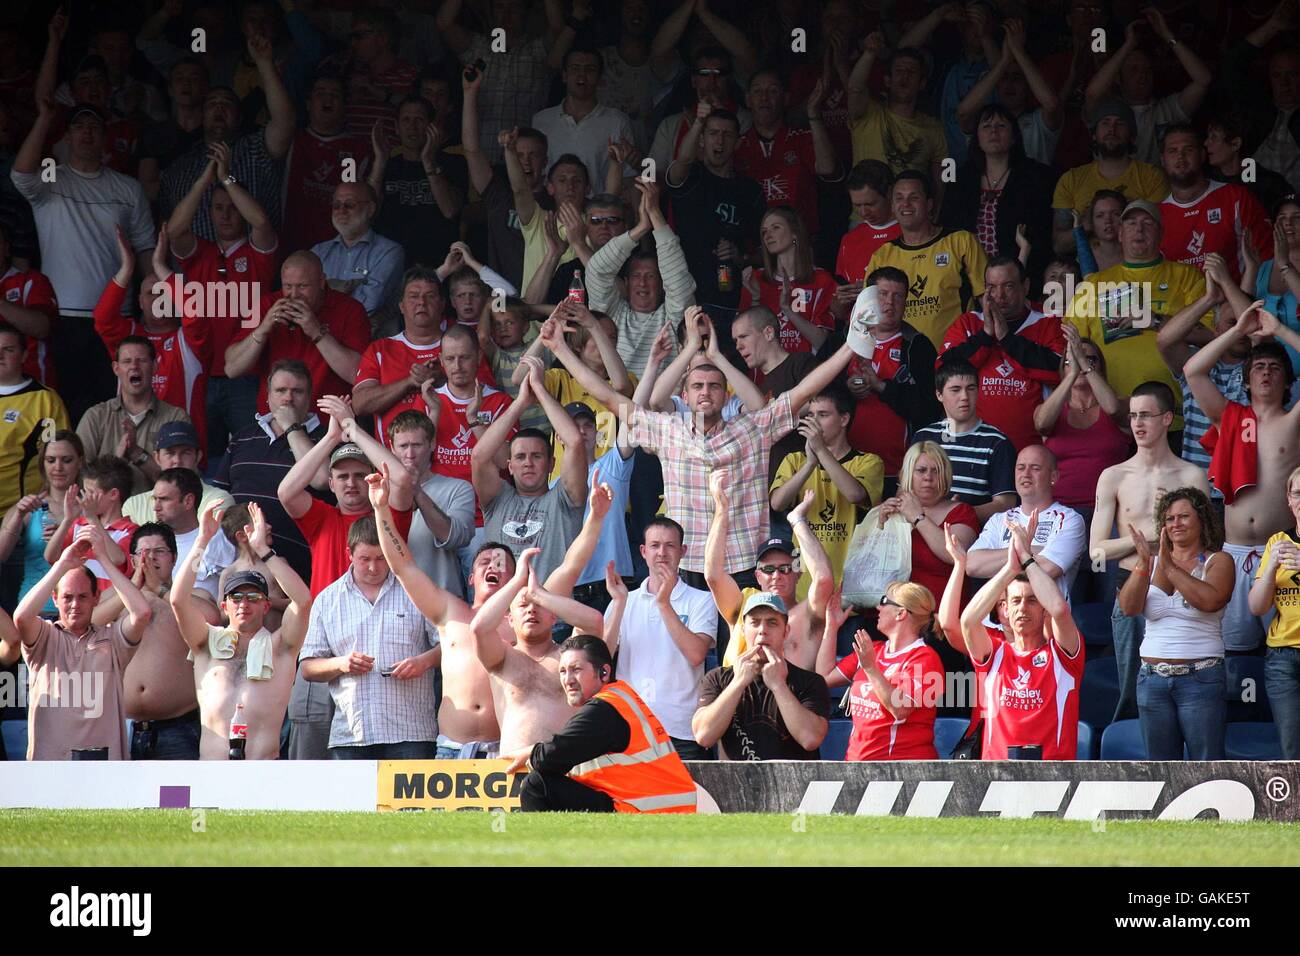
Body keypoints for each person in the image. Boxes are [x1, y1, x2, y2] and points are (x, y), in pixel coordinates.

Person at [370, 459, 608, 759]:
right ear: (471, 576)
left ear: (516, 577)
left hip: (505, 747)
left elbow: (572, 564)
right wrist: (381, 509)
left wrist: (596, 518)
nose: (494, 565)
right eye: (486, 562)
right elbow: (403, 567)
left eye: (502, 564)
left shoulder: (529, 608)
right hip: (451, 746)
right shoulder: (449, 611)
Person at [11, 94, 154, 424]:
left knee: (116, 406)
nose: (87, 133)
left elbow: (146, 248)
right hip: (65, 316)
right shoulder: (51, 179)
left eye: (94, 127)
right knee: (68, 406)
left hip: (118, 314)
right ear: (67, 136)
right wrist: (44, 119)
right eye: (79, 126)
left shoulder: (128, 188)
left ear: (105, 137)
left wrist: (153, 305)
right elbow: (21, 175)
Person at [1091, 381, 1211, 721]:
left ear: (1167, 418)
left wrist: (1172, 536)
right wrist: (1145, 540)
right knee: (1132, 689)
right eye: (1132, 416)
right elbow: (1096, 552)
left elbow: (1207, 550)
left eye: (1146, 415)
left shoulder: (1192, 475)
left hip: (1180, 588)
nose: (1138, 423)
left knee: (1185, 685)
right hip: (1131, 583)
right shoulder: (1113, 476)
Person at [1186, 302, 1300, 654]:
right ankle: (1242, 707)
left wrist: (1278, 330)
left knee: (1285, 647)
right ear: (1247, 381)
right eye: (1259, 367)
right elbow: (1193, 371)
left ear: (1287, 382)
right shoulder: (1230, 416)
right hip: (1233, 551)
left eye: (1275, 368)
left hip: (1280, 551)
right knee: (1233, 649)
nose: (1266, 373)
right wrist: (1237, 332)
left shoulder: (1293, 420)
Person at [165, 140, 278, 461]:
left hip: (248, 376)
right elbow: (174, 231)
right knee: (202, 455)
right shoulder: (200, 253)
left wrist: (226, 178)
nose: (226, 215)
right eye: (218, 208)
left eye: (231, 207)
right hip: (201, 375)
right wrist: (205, 180)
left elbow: (261, 223)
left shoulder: (257, 252)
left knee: (251, 451)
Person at [171, 502, 312, 759]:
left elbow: (302, 602)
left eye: (253, 597)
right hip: (212, 774)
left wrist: (263, 550)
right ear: (224, 605)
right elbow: (178, 600)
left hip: (262, 776)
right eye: (236, 597)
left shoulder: (280, 648)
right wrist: (202, 540)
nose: (244, 604)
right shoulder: (205, 643)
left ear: (267, 605)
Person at [507, 633, 698, 814]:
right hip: (654, 808)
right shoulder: (618, 699)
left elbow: (550, 758)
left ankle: (544, 849)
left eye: (576, 669)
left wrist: (531, 753)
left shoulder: (603, 709)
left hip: (645, 813)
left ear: (604, 672)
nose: (568, 680)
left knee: (537, 784)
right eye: (563, 671)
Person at [299, 515, 440, 759]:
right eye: (365, 559)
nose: (373, 567)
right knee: (351, 799)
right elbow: (308, 667)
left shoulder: (416, 591)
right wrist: (341, 664)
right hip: (352, 733)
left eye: (381, 558)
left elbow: (453, 646)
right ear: (349, 554)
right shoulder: (327, 600)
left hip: (412, 731)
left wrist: (423, 662)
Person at [14, 523, 152, 760]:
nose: (75, 605)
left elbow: (141, 613)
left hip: (104, 768)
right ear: (55, 599)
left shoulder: (112, 639)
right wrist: (62, 565)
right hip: (50, 768)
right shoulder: (45, 637)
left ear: (96, 597)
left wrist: (104, 559)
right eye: (67, 597)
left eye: (83, 596)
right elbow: (22, 617)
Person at [1066, 200, 1210, 422]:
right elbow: (1071, 348)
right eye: (1131, 223)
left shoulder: (1187, 277)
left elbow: (1211, 335)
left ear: (1161, 233)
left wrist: (1155, 320)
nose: (1139, 229)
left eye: (1147, 223)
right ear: (1120, 234)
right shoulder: (1094, 284)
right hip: (1110, 416)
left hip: (1174, 413)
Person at [1119, 487, 1232, 760]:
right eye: (1169, 519)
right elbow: (1128, 607)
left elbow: (1210, 601)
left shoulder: (1219, 560)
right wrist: (1144, 565)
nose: (1175, 524)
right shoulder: (1152, 562)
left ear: (1202, 520)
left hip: (1200, 678)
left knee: (1206, 768)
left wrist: (1170, 568)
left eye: (1183, 516)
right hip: (1152, 680)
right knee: (1161, 770)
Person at [959, 520, 1085, 761]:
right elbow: (968, 621)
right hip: (996, 778)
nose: (1023, 609)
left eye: (1032, 601)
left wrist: (1027, 558)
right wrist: (1008, 569)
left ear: (1043, 609)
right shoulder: (994, 653)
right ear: (1004, 609)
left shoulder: (1062, 656)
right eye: (1015, 601)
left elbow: (1059, 609)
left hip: (1053, 779)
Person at [467, 544, 605, 752]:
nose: (532, 610)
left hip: (565, 771)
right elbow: (478, 628)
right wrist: (517, 581)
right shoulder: (502, 658)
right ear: (510, 619)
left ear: (553, 616)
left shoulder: (568, 656)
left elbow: (594, 622)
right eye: (523, 605)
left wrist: (538, 594)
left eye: (538, 605)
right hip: (514, 773)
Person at [602, 515, 718, 759]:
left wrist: (663, 603)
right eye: (655, 545)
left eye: (670, 545)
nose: (662, 553)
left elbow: (697, 655)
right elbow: (602, 659)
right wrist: (620, 602)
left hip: (682, 729)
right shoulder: (623, 600)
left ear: (683, 551)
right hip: (630, 727)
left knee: (685, 799)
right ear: (643, 551)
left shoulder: (702, 599)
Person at [158, 35, 295, 239]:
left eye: (227, 103)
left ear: (239, 118)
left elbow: (285, 122)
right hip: (195, 270)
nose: (219, 107)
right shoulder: (178, 169)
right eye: (212, 103)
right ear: (201, 117)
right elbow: (167, 234)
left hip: (255, 266)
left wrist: (264, 63)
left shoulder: (257, 149)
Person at [98, 523, 216, 760]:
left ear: (173, 558)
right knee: (123, 797)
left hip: (179, 726)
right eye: (143, 552)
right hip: (122, 726)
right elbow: (90, 623)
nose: (150, 558)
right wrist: (133, 589)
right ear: (132, 560)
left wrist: (161, 590)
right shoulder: (111, 597)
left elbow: (212, 618)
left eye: (159, 551)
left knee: (176, 796)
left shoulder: (192, 597)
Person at [96, 228, 212, 457]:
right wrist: (127, 268)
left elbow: (196, 315)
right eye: (151, 293)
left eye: (164, 292)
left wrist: (159, 265)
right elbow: (103, 318)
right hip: (131, 454)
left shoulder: (188, 341)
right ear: (139, 301)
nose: (159, 299)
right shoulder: (129, 336)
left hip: (179, 457)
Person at [211, 360, 329, 583]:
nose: (288, 398)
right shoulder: (242, 437)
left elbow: (321, 479)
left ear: (309, 396)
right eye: (281, 390)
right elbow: (219, 496)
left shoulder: (327, 438)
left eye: (297, 391)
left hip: (298, 567)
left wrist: (292, 428)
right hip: (237, 562)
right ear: (267, 396)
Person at [471, 360, 586, 582]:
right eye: (520, 457)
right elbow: (479, 456)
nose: (528, 463)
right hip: (504, 613)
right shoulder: (497, 499)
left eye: (537, 456)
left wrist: (540, 389)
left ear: (552, 464)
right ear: (509, 466)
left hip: (554, 614)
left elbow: (574, 441)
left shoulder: (565, 499)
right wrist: (521, 402)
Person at [939, 259, 1065, 454]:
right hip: (973, 448)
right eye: (992, 287)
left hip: (1032, 452)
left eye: (1008, 286)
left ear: (1025, 286)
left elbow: (1060, 371)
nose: (999, 296)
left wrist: (1007, 339)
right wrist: (985, 335)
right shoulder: (969, 322)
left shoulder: (1048, 322)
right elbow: (943, 371)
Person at [708, 475, 833, 670]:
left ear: (798, 573)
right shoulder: (744, 606)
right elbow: (713, 576)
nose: (776, 576)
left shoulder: (808, 614)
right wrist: (722, 511)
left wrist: (797, 521)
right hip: (743, 695)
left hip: (793, 695)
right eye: (768, 569)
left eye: (785, 569)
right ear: (757, 575)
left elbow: (824, 578)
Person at [224, 251, 371, 413]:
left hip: (329, 422)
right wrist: (263, 329)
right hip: (275, 421)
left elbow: (357, 375)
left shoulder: (350, 309)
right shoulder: (268, 305)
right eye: (288, 286)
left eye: (302, 286)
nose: (294, 295)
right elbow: (232, 369)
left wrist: (316, 332)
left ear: (322, 281)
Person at [770, 386, 883, 597]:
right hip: (802, 587)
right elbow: (777, 503)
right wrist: (809, 465)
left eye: (823, 415)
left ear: (844, 419)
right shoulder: (794, 461)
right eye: (810, 415)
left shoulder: (868, 461)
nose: (814, 422)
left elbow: (855, 495)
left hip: (850, 588)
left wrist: (821, 450)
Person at [663, 103, 766, 332]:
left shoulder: (750, 190)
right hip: (683, 294)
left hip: (729, 297)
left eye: (727, 135)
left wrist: (743, 257)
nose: (719, 141)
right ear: (701, 140)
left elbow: (766, 251)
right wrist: (699, 121)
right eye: (713, 134)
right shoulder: (690, 176)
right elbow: (683, 160)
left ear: (738, 143)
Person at [691, 591, 830, 760]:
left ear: (786, 631)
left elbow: (810, 739)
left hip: (793, 785)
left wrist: (779, 686)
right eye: (755, 623)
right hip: (736, 785)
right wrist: (738, 683)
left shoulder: (810, 682)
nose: (762, 630)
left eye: (772, 623)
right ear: (743, 630)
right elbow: (703, 736)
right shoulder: (718, 678)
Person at [814, 581, 943, 760]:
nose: (878, 607)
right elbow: (823, 677)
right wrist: (831, 627)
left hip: (901, 771)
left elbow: (901, 709)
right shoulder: (874, 649)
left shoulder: (925, 658)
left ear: (901, 613)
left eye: (884, 601)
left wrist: (870, 668)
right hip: (857, 765)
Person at [864, 170, 987, 348]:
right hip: (901, 364)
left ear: (929, 204)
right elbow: (869, 316)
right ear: (892, 205)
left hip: (955, 358)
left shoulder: (961, 241)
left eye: (914, 197)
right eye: (899, 198)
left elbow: (988, 299)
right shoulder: (882, 255)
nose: (905, 204)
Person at [843, 267, 940, 486]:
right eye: (883, 294)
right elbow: (821, 395)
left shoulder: (918, 346)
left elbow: (930, 408)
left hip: (900, 474)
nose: (890, 302)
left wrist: (882, 387)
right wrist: (847, 388)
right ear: (867, 298)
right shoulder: (844, 340)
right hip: (845, 470)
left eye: (898, 296)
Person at [586, 178, 695, 373]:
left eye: (651, 276)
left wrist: (655, 214)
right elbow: (596, 270)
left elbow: (677, 278)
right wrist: (641, 227)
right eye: (636, 276)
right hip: (616, 400)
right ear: (626, 283)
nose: (642, 283)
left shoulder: (673, 317)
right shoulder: (611, 313)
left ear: (663, 285)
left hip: (658, 402)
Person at [942, 103, 1055, 284]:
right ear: (977, 138)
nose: (993, 131)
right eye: (986, 126)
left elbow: (1042, 234)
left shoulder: (1035, 176)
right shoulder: (960, 179)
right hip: (968, 279)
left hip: (1020, 277)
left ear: (1013, 137)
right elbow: (948, 230)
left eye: (1001, 126)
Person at [1082, 8, 1212, 165]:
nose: (1142, 74)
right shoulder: (1108, 110)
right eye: (1133, 69)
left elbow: (1203, 80)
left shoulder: (1168, 109)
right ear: (1118, 78)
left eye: (1147, 69)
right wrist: (1128, 45)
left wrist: (1167, 36)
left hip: (1156, 188)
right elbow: (1091, 94)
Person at [437, 0, 555, 163]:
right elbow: (444, 23)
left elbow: (558, 28)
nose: (506, 15)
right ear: (492, 13)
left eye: (514, 7)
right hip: (479, 158)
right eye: (500, 7)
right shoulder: (478, 47)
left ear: (524, 13)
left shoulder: (537, 51)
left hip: (523, 160)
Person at [965, 445, 1089, 601]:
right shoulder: (999, 519)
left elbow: (1048, 568)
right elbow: (972, 565)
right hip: (995, 621)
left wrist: (1000, 563)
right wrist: (1029, 552)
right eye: (1020, 468)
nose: (1026, 474)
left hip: (1046, 620)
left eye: (1035, 468)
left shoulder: (1069, 519)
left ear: (1054, 477)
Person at [1036, 327, 1130, 525]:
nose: (1079, 363)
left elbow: (1113, 410)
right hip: (1058, 513)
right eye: (1070, 361)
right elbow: (1042, 424)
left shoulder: (1123, 403)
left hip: (1110, 512)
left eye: (1089, 359)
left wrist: (1083, 365)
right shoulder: (1052, 408)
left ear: (1100, 367)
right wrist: (1072, 375)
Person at [1050, 99, 1168, 255]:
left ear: (1132, 136)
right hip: (1086, 272)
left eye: (1120, 124)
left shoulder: (1152, 177)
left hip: (1139, 271)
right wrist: (1087, 225)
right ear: (1093, 135)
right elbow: (1059, 245)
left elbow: (1165, 235)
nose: (1112, 130)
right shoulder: (1071, 180)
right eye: (1105, 123)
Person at [76, 336, 192, 495]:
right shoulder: (95, 416)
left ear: (155, 366)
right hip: (103, 515)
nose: (134, 367)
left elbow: (183, 482)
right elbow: (77, 476)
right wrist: (116, 464)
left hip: (157, 512)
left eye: (142, 361)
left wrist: (138, 454)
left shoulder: (175, 417)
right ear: (116, 368)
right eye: (127, 361)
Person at [733, 68, 840, 237]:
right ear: (748, 99)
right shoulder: (736, 146)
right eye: (757, 91)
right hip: (755, 246)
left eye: (773, 91)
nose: (764, 97)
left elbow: (827, 168)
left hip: (800, 242)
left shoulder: (802, 138)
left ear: (786, 99)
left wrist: (813, 113)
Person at [1157, 124, 1271, 282]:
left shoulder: (1235, 197)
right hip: (1184, 306)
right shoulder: (1156, 216)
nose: (1180, 156)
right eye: (1172, 151)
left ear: (1202, 155)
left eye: (1188, 149)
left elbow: (1267, 256)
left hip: (1237, 302)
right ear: (1162, 159)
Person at [352, 267, 452, 444]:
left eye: (430, 296)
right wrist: (409, 382)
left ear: (442, 303)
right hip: (393, 462)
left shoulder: (462, 344)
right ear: (401, 305)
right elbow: (360, 404)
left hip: (450, 459)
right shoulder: (380, 349)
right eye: (414, 296)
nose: (421, 302)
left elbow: (484, 397)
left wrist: (443, 379)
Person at [369, 94, 467, 271]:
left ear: (431, 126)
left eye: (419, 120)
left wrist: (428, 160)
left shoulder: (454, 162)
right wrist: (380, 162)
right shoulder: (385, 165)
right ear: (396, 128)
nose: (412, 127)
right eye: (406, 120)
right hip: (389, 264)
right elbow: (367, 212)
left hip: (439, 264)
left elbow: (450, 210)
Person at [388, 410, 475, 601]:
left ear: (432, 444)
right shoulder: (378, 491)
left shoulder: (459, 488)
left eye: (417, 445)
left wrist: (417, 491)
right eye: (403, 446)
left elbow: (454, 537)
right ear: (391, 448)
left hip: (445, 605)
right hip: (394, 606)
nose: (410, 454)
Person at [913, 361, 1016, 522]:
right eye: (955, 390)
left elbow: (1006, 504)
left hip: (975, 539)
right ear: (939, 395)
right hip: (919, 532)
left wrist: (958, 514)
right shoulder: (923, 437)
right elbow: (904, 491)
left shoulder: (997, 443)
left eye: (971, 389)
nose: (964, 397)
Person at [879, 442, 978, 609]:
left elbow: (955, 554)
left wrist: (918, 517)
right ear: (907, 474)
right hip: (895, 614)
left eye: (936, 471)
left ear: (946, 475)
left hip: (941, 617)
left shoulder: (962, 512)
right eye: (921, 470)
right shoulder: (893, 511)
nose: (928, 477)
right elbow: (875, 563)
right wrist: (881, 523)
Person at [280, 73, 372, 254]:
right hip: (291, 245)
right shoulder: (292, 140)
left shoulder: (357, 150)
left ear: (345, 104)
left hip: (337, 250)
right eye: (321, 93)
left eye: (335, 95)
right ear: (308, 103)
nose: (328, 99)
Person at [954, 18, 1063, 168]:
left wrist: (1018, 50)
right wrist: (1004, 61)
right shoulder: (985, 123)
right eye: (1004, 78)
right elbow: (962, 113)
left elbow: (1052, 104)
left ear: (1028, 85)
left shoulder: (1038, 122)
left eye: (1017, 78)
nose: (1010, 84)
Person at [0, 431, 82, 617]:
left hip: (84, 609)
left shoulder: (91, 507)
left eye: (66, 460)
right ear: (42, 464)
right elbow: (1, 554)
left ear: (80, 461)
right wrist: (18, 516)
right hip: (37, 609)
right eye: (51, 460)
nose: (58, 467)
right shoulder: (28, 508)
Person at [845, 36, 946, 185]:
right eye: (899, 71)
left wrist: (936, 208)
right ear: (887, 80)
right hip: (866, 207)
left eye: (911, 72)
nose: (905, 76)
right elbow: (855, 88)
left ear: (922, 83)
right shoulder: (868, 112)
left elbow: (942, 180)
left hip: (909, 207)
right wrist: (869, 53)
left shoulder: (935, 128)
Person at [737, 206, 838, 355]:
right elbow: (742, 342)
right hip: (764, 375)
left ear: (795, 233)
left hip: (805, 373)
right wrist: (756, 299)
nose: (768, 235)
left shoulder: (821, 279)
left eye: (775, 228)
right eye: (764, 231)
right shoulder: (755, 279)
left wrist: (787, 309)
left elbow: (821, 341)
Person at [531, 47, 635, 192]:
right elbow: (532, 175)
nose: (582, 75)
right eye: (575, 68)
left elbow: (628, 177)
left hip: (598, 210)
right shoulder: (541, 120)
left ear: (599, 78)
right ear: (564, 75)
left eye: (590, 70)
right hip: (549, 210)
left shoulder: (617, 121)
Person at [1250, 464, 1300, 759]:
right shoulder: (1277, 542)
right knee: (1292, 746)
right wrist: (1270, 569)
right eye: (1298, 494)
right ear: (1289, 499)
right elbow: (1257, 606)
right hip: (1282, 657)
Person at [0, 323, 69, 513]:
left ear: (24, 355)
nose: (0, 356)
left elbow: (59, 460)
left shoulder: (45, 401)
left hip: (19, 515)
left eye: (8, 350)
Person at [311, 182, 405, 318]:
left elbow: (368, 305)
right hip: (319, 333)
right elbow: (304, 300)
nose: (341, 210)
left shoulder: (389, 252)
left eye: (349, 205)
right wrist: (347, 289)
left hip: (369, 336)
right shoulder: (318, 252)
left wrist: (326, 290)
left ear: (370, 209)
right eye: (336, 205)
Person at [44, 456, 137, 591]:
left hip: (109, 607)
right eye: (84, 491)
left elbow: (117, 560)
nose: (84, 497)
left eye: (91, 492)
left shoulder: (131, 530)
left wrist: (92, 519)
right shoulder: (79, 524)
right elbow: (50, 556)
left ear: (113, 494)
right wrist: (67, 520)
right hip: (77, 604)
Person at [122, 422, 233, 527]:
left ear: (198, 457)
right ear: (157, 458)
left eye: (185, 453)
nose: (177, 460)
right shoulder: (134, 504)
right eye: (170, 453)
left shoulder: (218, 500)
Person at [833, 160, 899, 288]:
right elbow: (839, 298)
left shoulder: (912, 233)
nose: (863, 212)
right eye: (857, 205)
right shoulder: (849, 240)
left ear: (890, 193)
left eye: (870, 204)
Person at [1072, 189, 1124, 277]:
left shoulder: (1139, 254)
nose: (1108, 220)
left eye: (1116, 214)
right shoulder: (1081, 261)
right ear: (1092, 222)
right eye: (1100, 216)